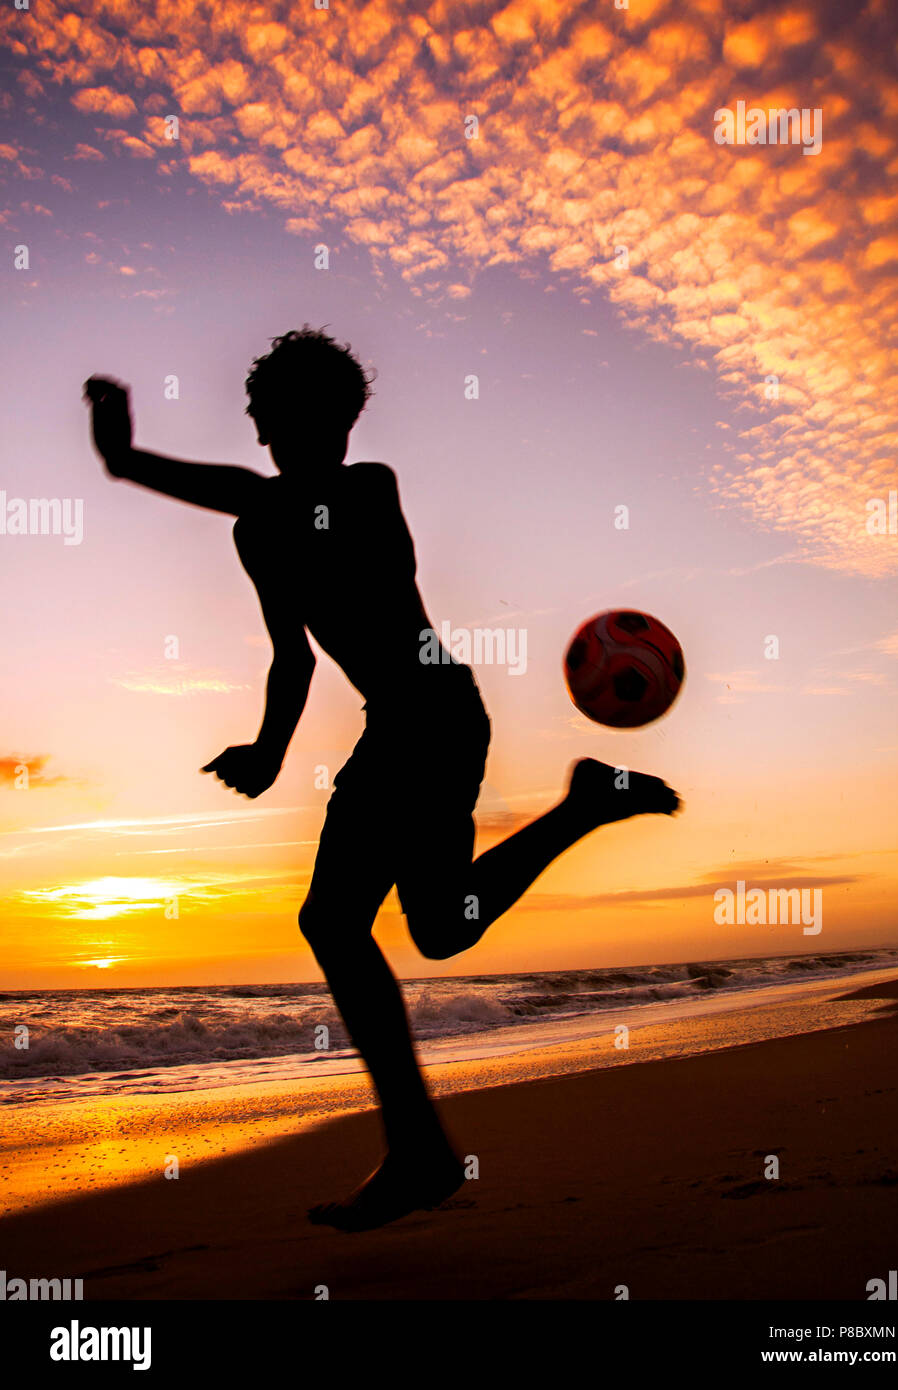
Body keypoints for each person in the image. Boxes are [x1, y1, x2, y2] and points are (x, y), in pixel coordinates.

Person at [84, 325, 680, 1232]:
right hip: (402, 727)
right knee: (440, 931)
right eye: (269, 419)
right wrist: (267, 750)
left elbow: (280, 499)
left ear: (341, 422)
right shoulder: (257, 531)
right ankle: (586, 804)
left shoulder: (367, 489)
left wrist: (128, 459)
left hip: (434, 715)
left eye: (292, 417)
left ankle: (419, 1152)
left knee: (334, 920)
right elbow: (294, 657)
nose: (276, 434)